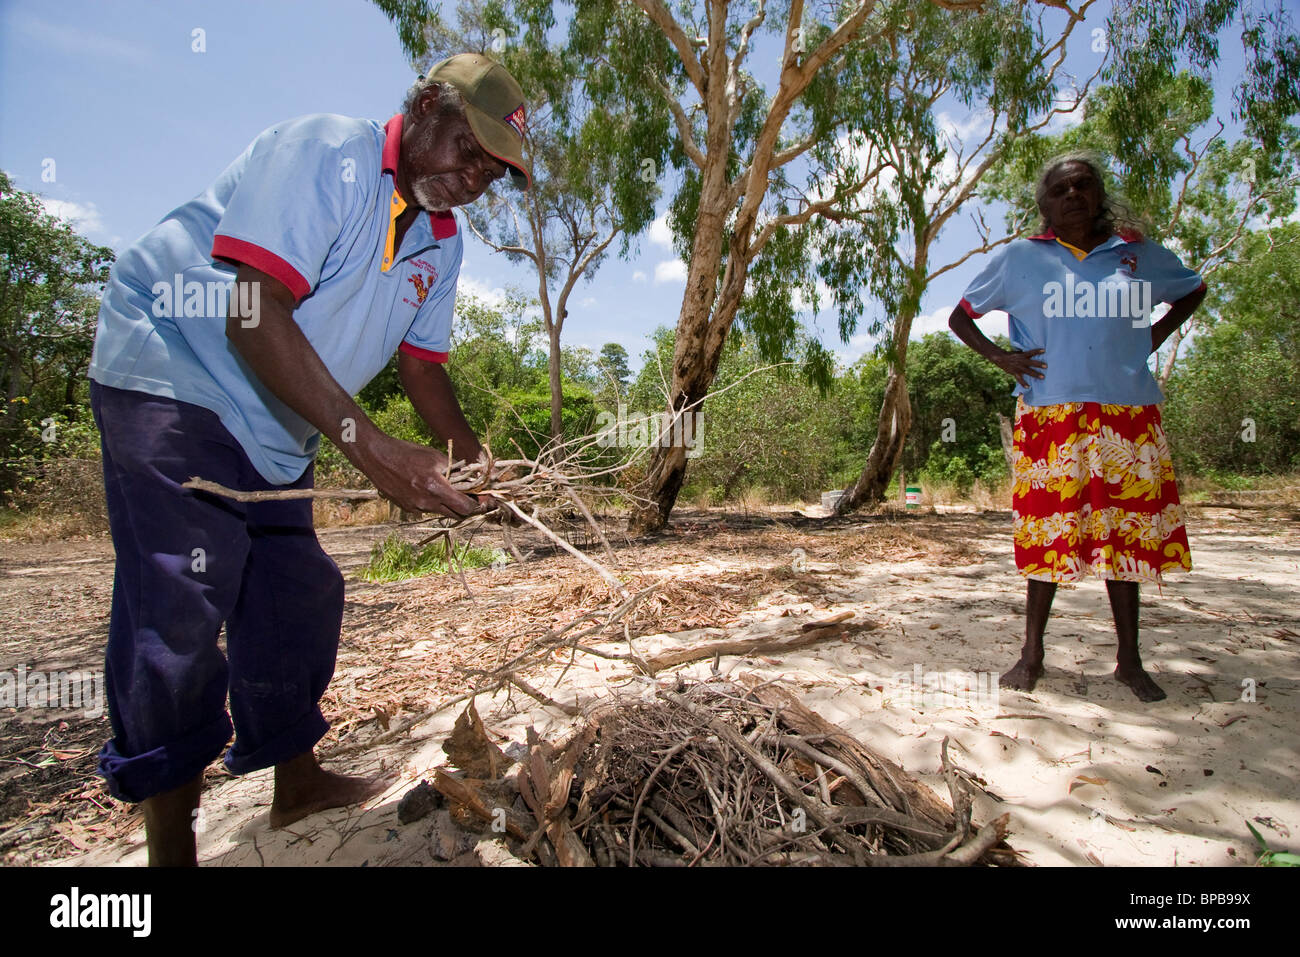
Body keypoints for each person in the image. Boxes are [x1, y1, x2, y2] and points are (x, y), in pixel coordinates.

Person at [87, 54, 531, 865]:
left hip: (281, 415)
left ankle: (296, 783)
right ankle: (169, 843)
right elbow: (252, 312)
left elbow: (422, 366)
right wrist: (372, 448)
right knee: (180, 597)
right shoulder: (327, 154)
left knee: (296, 591)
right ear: (426, 105)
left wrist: (475, 460)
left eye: (494, 171)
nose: (474, 178)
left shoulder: (442, 239)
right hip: (173, 370)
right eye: (470, 148)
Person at [948, 152, 1206, 704]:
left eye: (1083, 186)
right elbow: (961, 316)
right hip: (1050, 416)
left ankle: (1130, 662)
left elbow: (1193, 289)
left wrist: (1152, 338)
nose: (1073, 196)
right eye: (1061, 189)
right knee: (1048, 537)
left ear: (1098, 195)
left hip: (1126, 416)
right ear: (1044, 204)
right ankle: (1032, 653)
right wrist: (1004, 360)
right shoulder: (1021, 258)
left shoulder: (1135, 254)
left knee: (1124, 539)